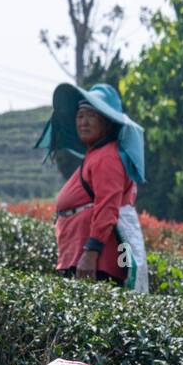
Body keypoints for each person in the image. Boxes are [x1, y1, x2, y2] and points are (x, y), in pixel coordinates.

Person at [47, 82, 146, 284]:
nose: (83, 122)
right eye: (80, 116)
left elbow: (108, 206)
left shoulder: (107, 157)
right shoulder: (96, 154)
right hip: (79, 255)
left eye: (91, 116)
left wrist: (90, 253)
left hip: (96, 264)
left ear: (107, 122)